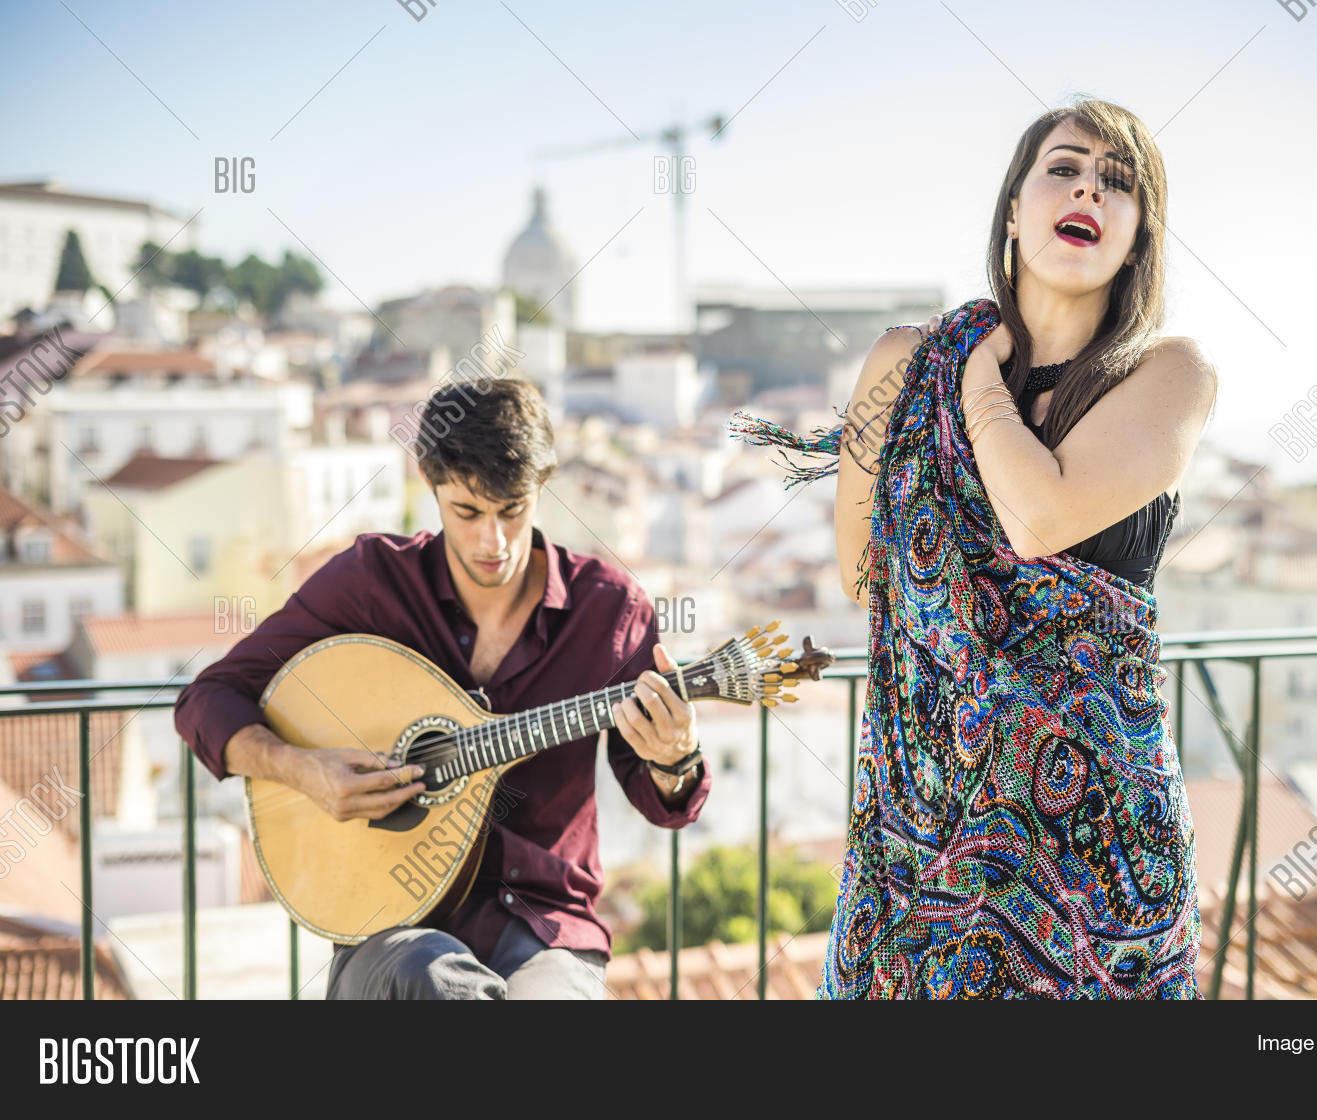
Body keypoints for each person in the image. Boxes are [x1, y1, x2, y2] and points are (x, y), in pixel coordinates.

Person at [729, 96, 1216, 998]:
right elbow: (862, 569)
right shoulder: (899, 363)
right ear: (1014, 207)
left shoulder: (1169, 375)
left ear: (1139, 236)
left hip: (1103, 859)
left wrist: (978, 379)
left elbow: (1038, 520)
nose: (1088, 190)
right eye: (1064, 169)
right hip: (926, 844)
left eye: (1119, 184)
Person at [174, 377, 710, 999]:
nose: (494, 541)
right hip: (390, 930)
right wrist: (301, 770)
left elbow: (657, 796)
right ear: (430, 484)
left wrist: (676, 757)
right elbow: (206, 700)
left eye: (513, 510)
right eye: (468, 512)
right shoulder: (373, 583)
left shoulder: (609, 611)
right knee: (431, 976)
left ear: (542, 487)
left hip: (544, 925)